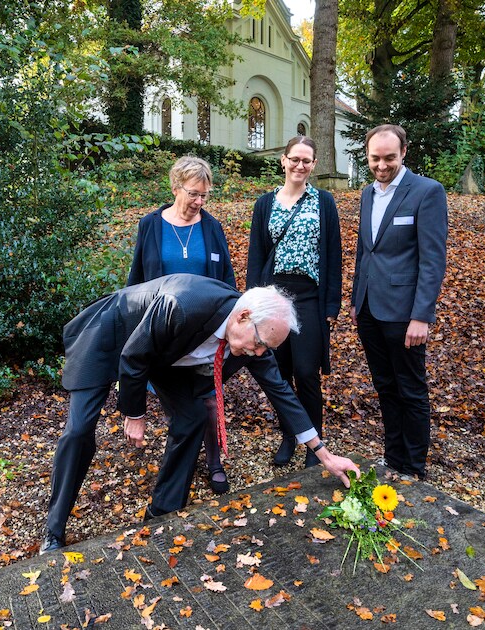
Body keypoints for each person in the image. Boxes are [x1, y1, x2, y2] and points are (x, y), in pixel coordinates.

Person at [42, 274, 361, 554]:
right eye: (261, 343)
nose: (260, 353)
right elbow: (134, 355)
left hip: (165, 354)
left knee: (193, 417)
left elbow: (282, 394)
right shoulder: (183, 305)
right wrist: (135, 412)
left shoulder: (252, 338)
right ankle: (54, 530)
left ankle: (161, 514)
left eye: (268, 349)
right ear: (243, 317)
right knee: (79, 429)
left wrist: (324, 454)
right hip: (112, 335)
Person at [128, 155, 235, 495]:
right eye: (193, 194)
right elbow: (137, 281)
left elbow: (227, 282)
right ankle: (182, 463)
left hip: (204, 330)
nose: (199, 201)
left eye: (205, 195)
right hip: (165, 331)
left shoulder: (212, 228)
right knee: (178, 404)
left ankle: (215, 461)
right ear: (175, 187)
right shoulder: (151, 225)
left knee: (208, 399)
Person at [349, 124, 448, 481]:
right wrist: (355, 298)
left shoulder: (426, 192)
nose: (381, 165)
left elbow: (433, 260)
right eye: (375, 158)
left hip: (405, 313)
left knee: (410, 388)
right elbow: (365, 250)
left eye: (389, 157)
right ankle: (392, 458)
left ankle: (413, 466)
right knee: (384, 386)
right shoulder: (365, 194)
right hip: (370, 309)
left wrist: (422, 315)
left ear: (404, 152)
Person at [246, 136, 342, 469]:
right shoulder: (265, 204)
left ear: (314, 165)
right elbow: (257, 254)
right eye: (294, 159)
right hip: (274, 297)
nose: (300, 166)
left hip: (309, 298)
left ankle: (314, 446)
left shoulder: (324, 202)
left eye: (307, 160)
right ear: (283, 161)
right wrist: (253, 304)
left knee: (307, 372)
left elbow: (333, 255)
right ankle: (289, 436)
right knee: (281, 373)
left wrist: (332, 305)